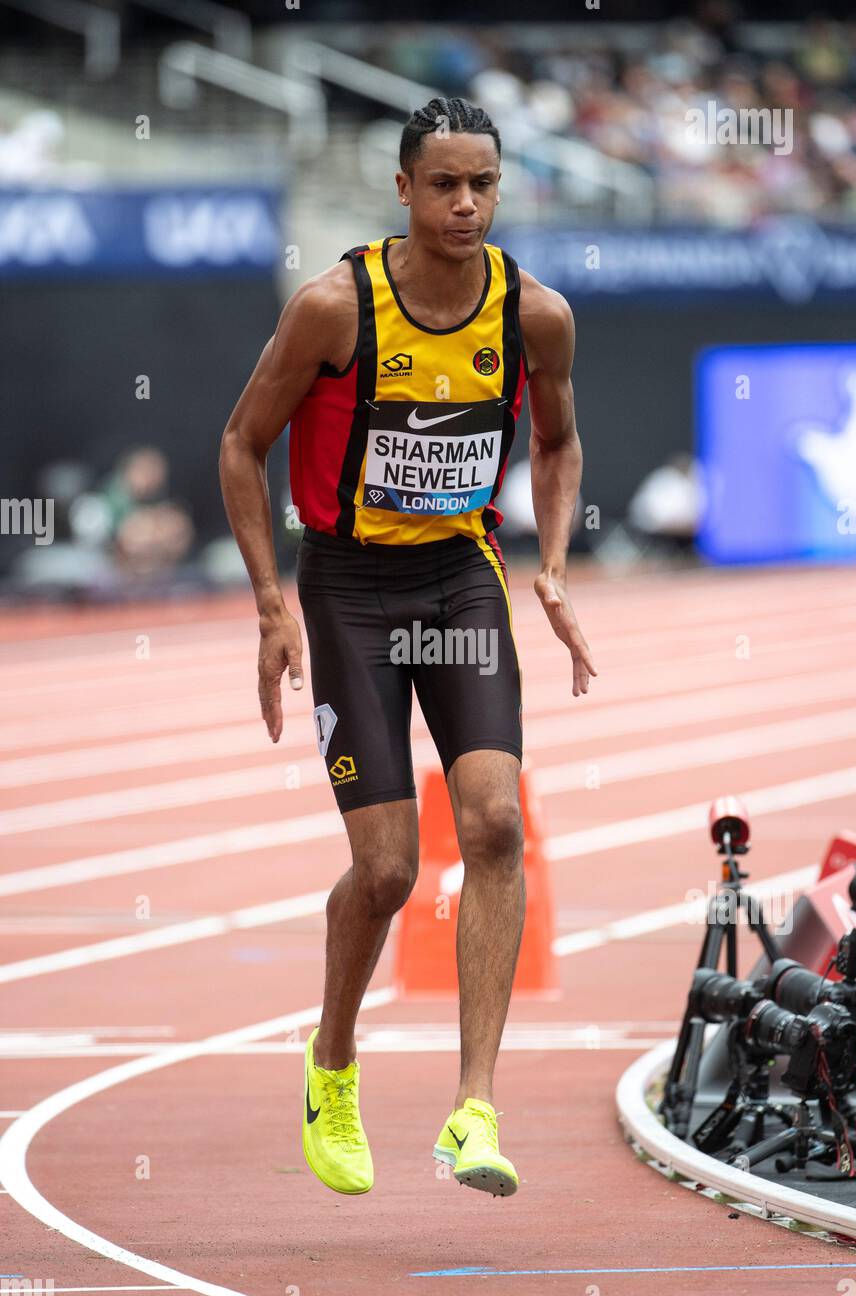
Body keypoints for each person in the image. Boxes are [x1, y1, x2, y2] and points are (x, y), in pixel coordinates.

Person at [219, 97, 596, 1199]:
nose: (466, 204)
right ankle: (330, 1064)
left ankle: (472, 1110)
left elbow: (561, 444)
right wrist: (268, 605)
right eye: (444, 185)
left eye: (482, 183)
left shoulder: (538, 316)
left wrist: (557, 564)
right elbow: (242, 444)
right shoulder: (334, 308)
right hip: (349, 589)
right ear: (402, 189)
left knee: (490, 824)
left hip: (460, 576)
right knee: (385, 870)